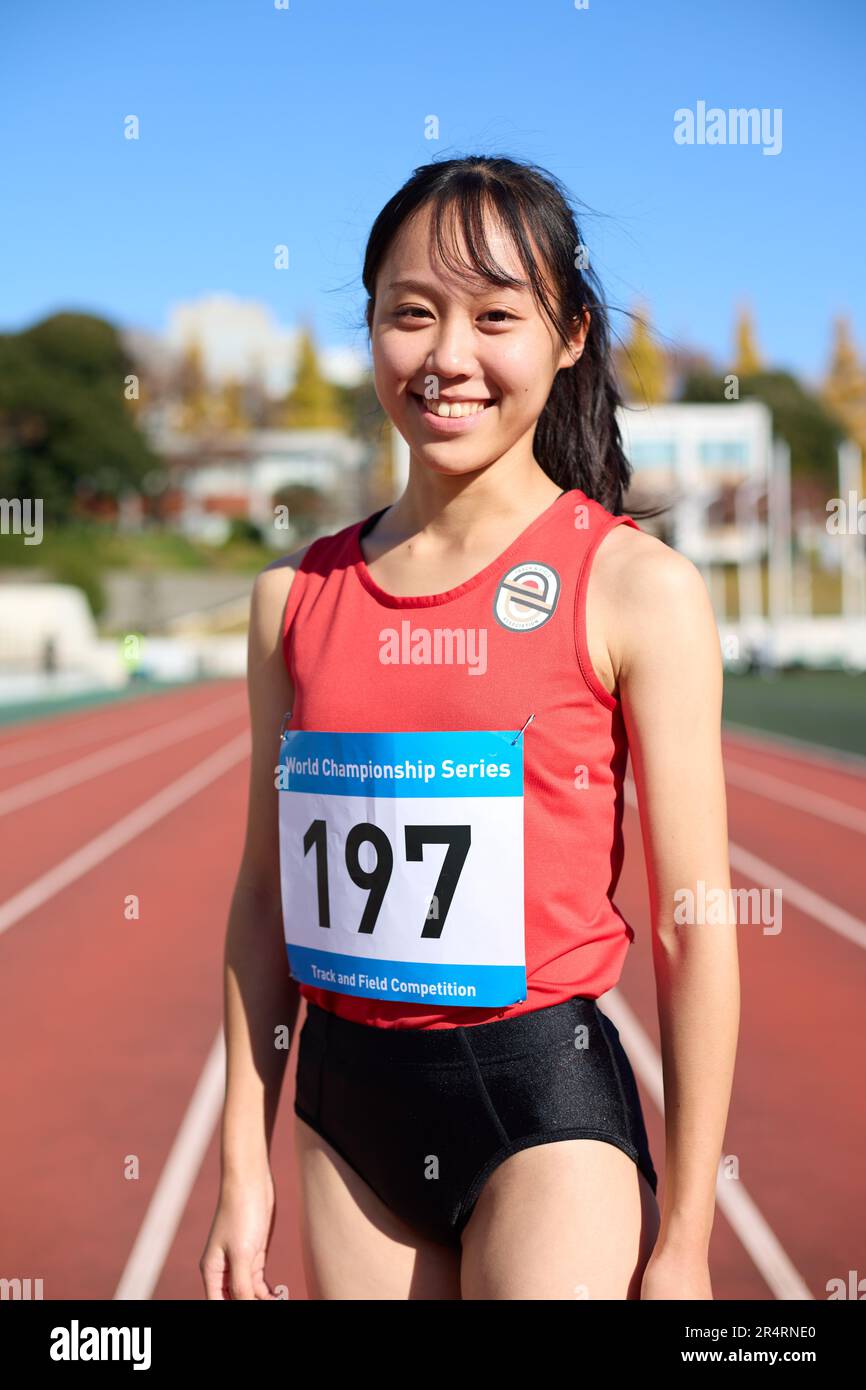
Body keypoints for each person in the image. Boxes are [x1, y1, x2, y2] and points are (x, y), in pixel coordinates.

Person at [200, 155, 739, 1301]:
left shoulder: (632, 587)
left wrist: (685, 1241)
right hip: (344, 1117)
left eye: (495, 317)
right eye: (411, 314)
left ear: (570, 336)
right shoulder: (291, 598)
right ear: (369, 330)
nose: (447, 356)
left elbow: (690, 925)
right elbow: (263, 900)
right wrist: (241, 1165)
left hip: (537, 1107)